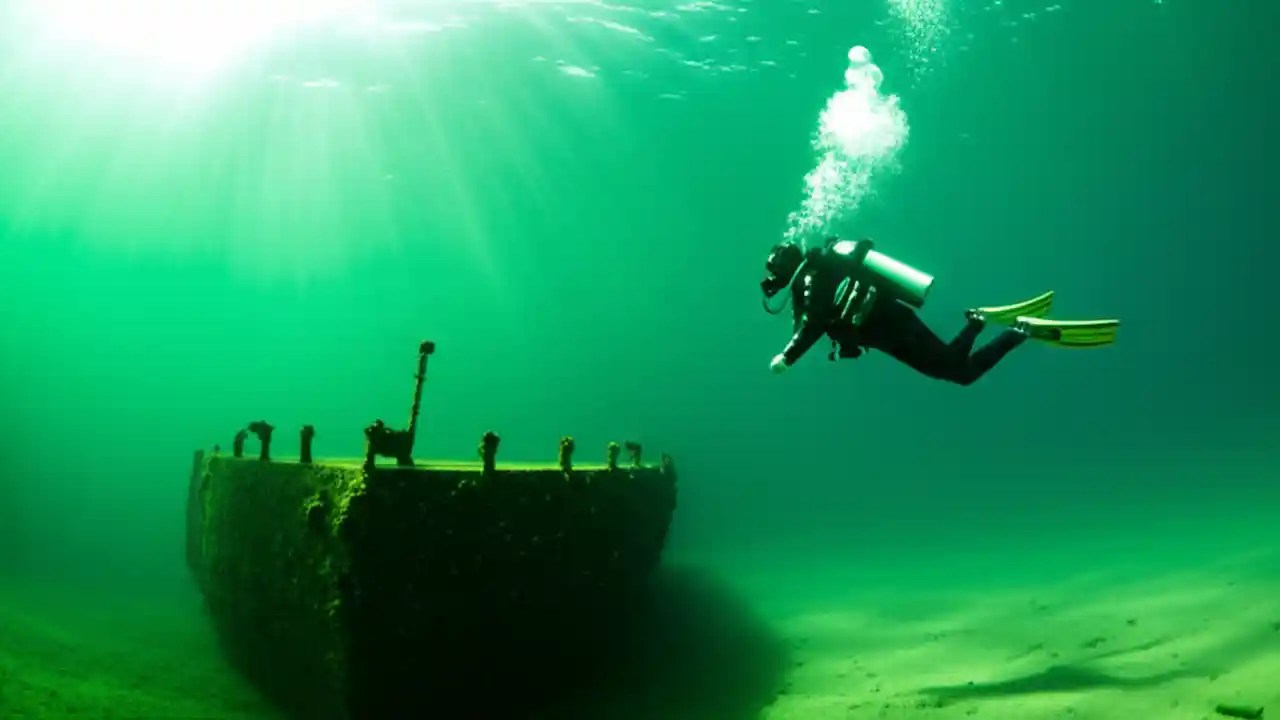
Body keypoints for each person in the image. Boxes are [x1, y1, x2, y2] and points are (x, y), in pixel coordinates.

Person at [761, 237, 1115, 384]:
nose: (771, 280)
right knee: (952, 365)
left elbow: (813, 323)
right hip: (895, 322)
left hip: (892, 332)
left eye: (772, 272)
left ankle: (1018, 332)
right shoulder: (823, 267)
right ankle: (978, 325)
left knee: (960, 374)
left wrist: (787, 357)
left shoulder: (807, 282)